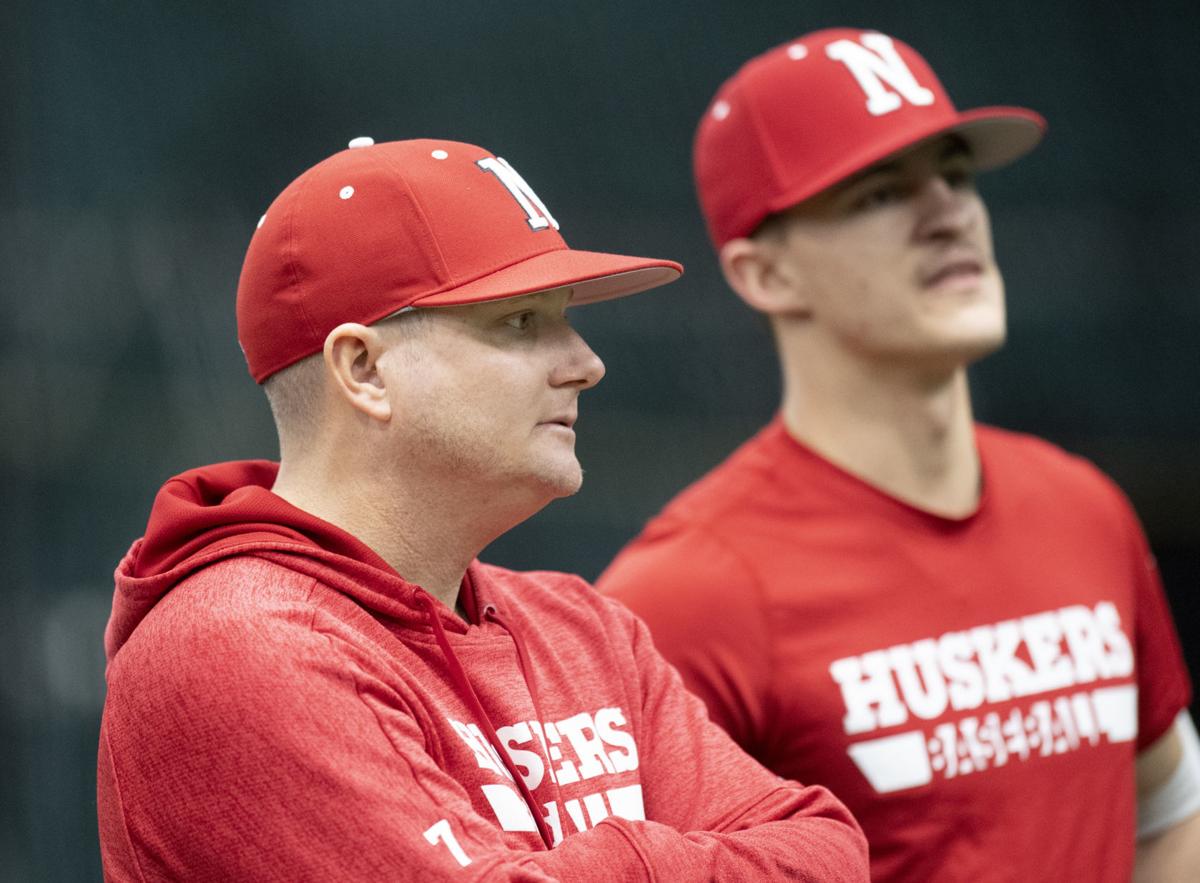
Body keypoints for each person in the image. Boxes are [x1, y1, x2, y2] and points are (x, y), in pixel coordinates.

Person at [95, 137, 869, 881]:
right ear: (363, 368)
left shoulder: (583, 625)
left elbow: (829, 851)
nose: (587, 364)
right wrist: (652, 851)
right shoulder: (238, 643)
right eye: (521, 321)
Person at [598, 28, 1200, 882]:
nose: (947, 210)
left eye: (955, 173)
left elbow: (1171, 810)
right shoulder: (688, 594)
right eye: (879, 193)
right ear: (764, 274)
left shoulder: (1083, 507)